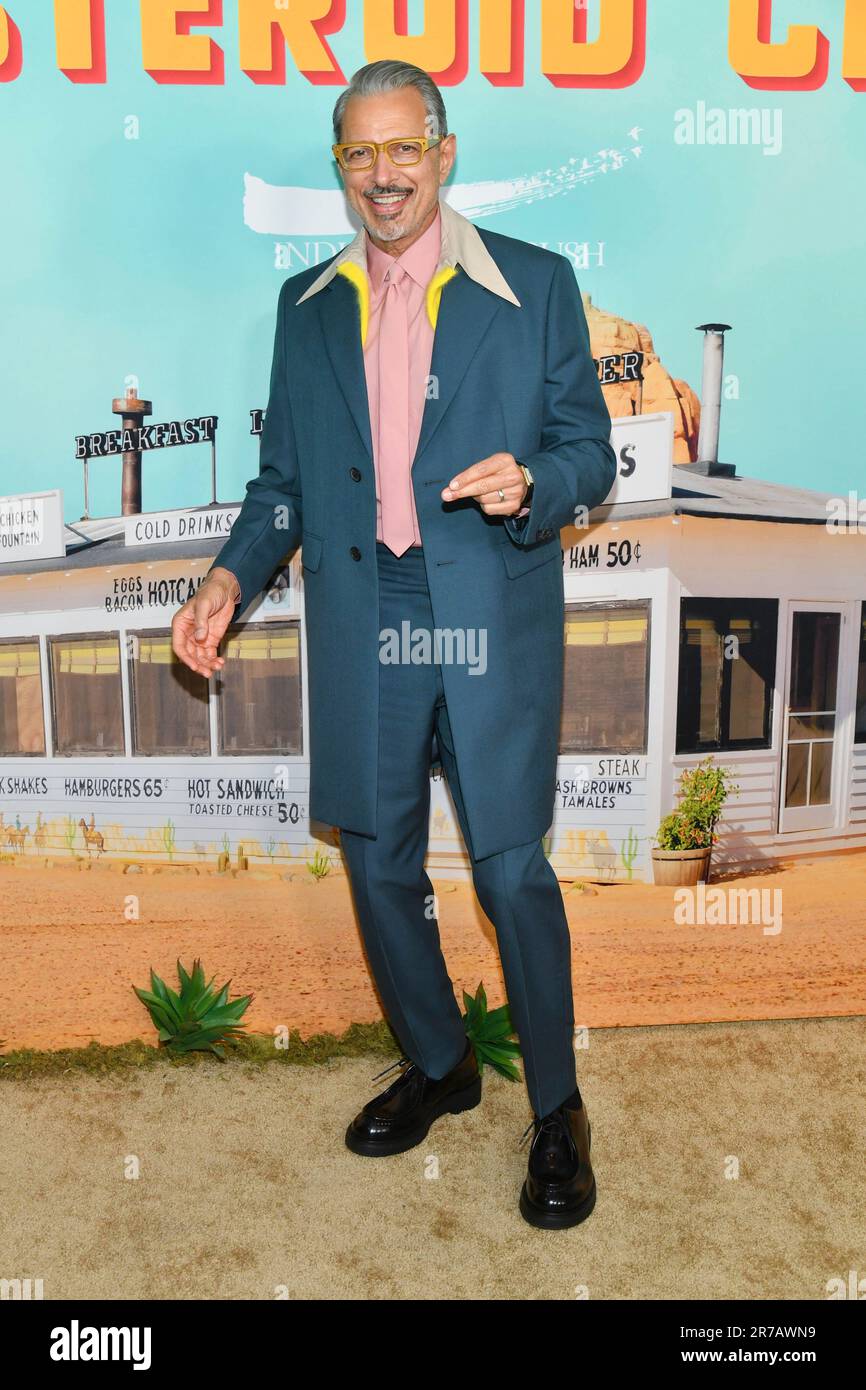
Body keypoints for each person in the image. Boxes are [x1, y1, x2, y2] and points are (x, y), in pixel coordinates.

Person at [171, 59, 616, 1229]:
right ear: (339, 164)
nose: (383, 175)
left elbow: (591, 452)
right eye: (358, 153)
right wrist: (227, 577)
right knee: (377, 866)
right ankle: (439, 1062)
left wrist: (536, 477)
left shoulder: (532, 285)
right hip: (365, 617)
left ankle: (557, 1108)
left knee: (510, 868)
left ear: (443, 149)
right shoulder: (306, 306)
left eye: (402, 149)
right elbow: (283, 486)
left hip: (485, 610)